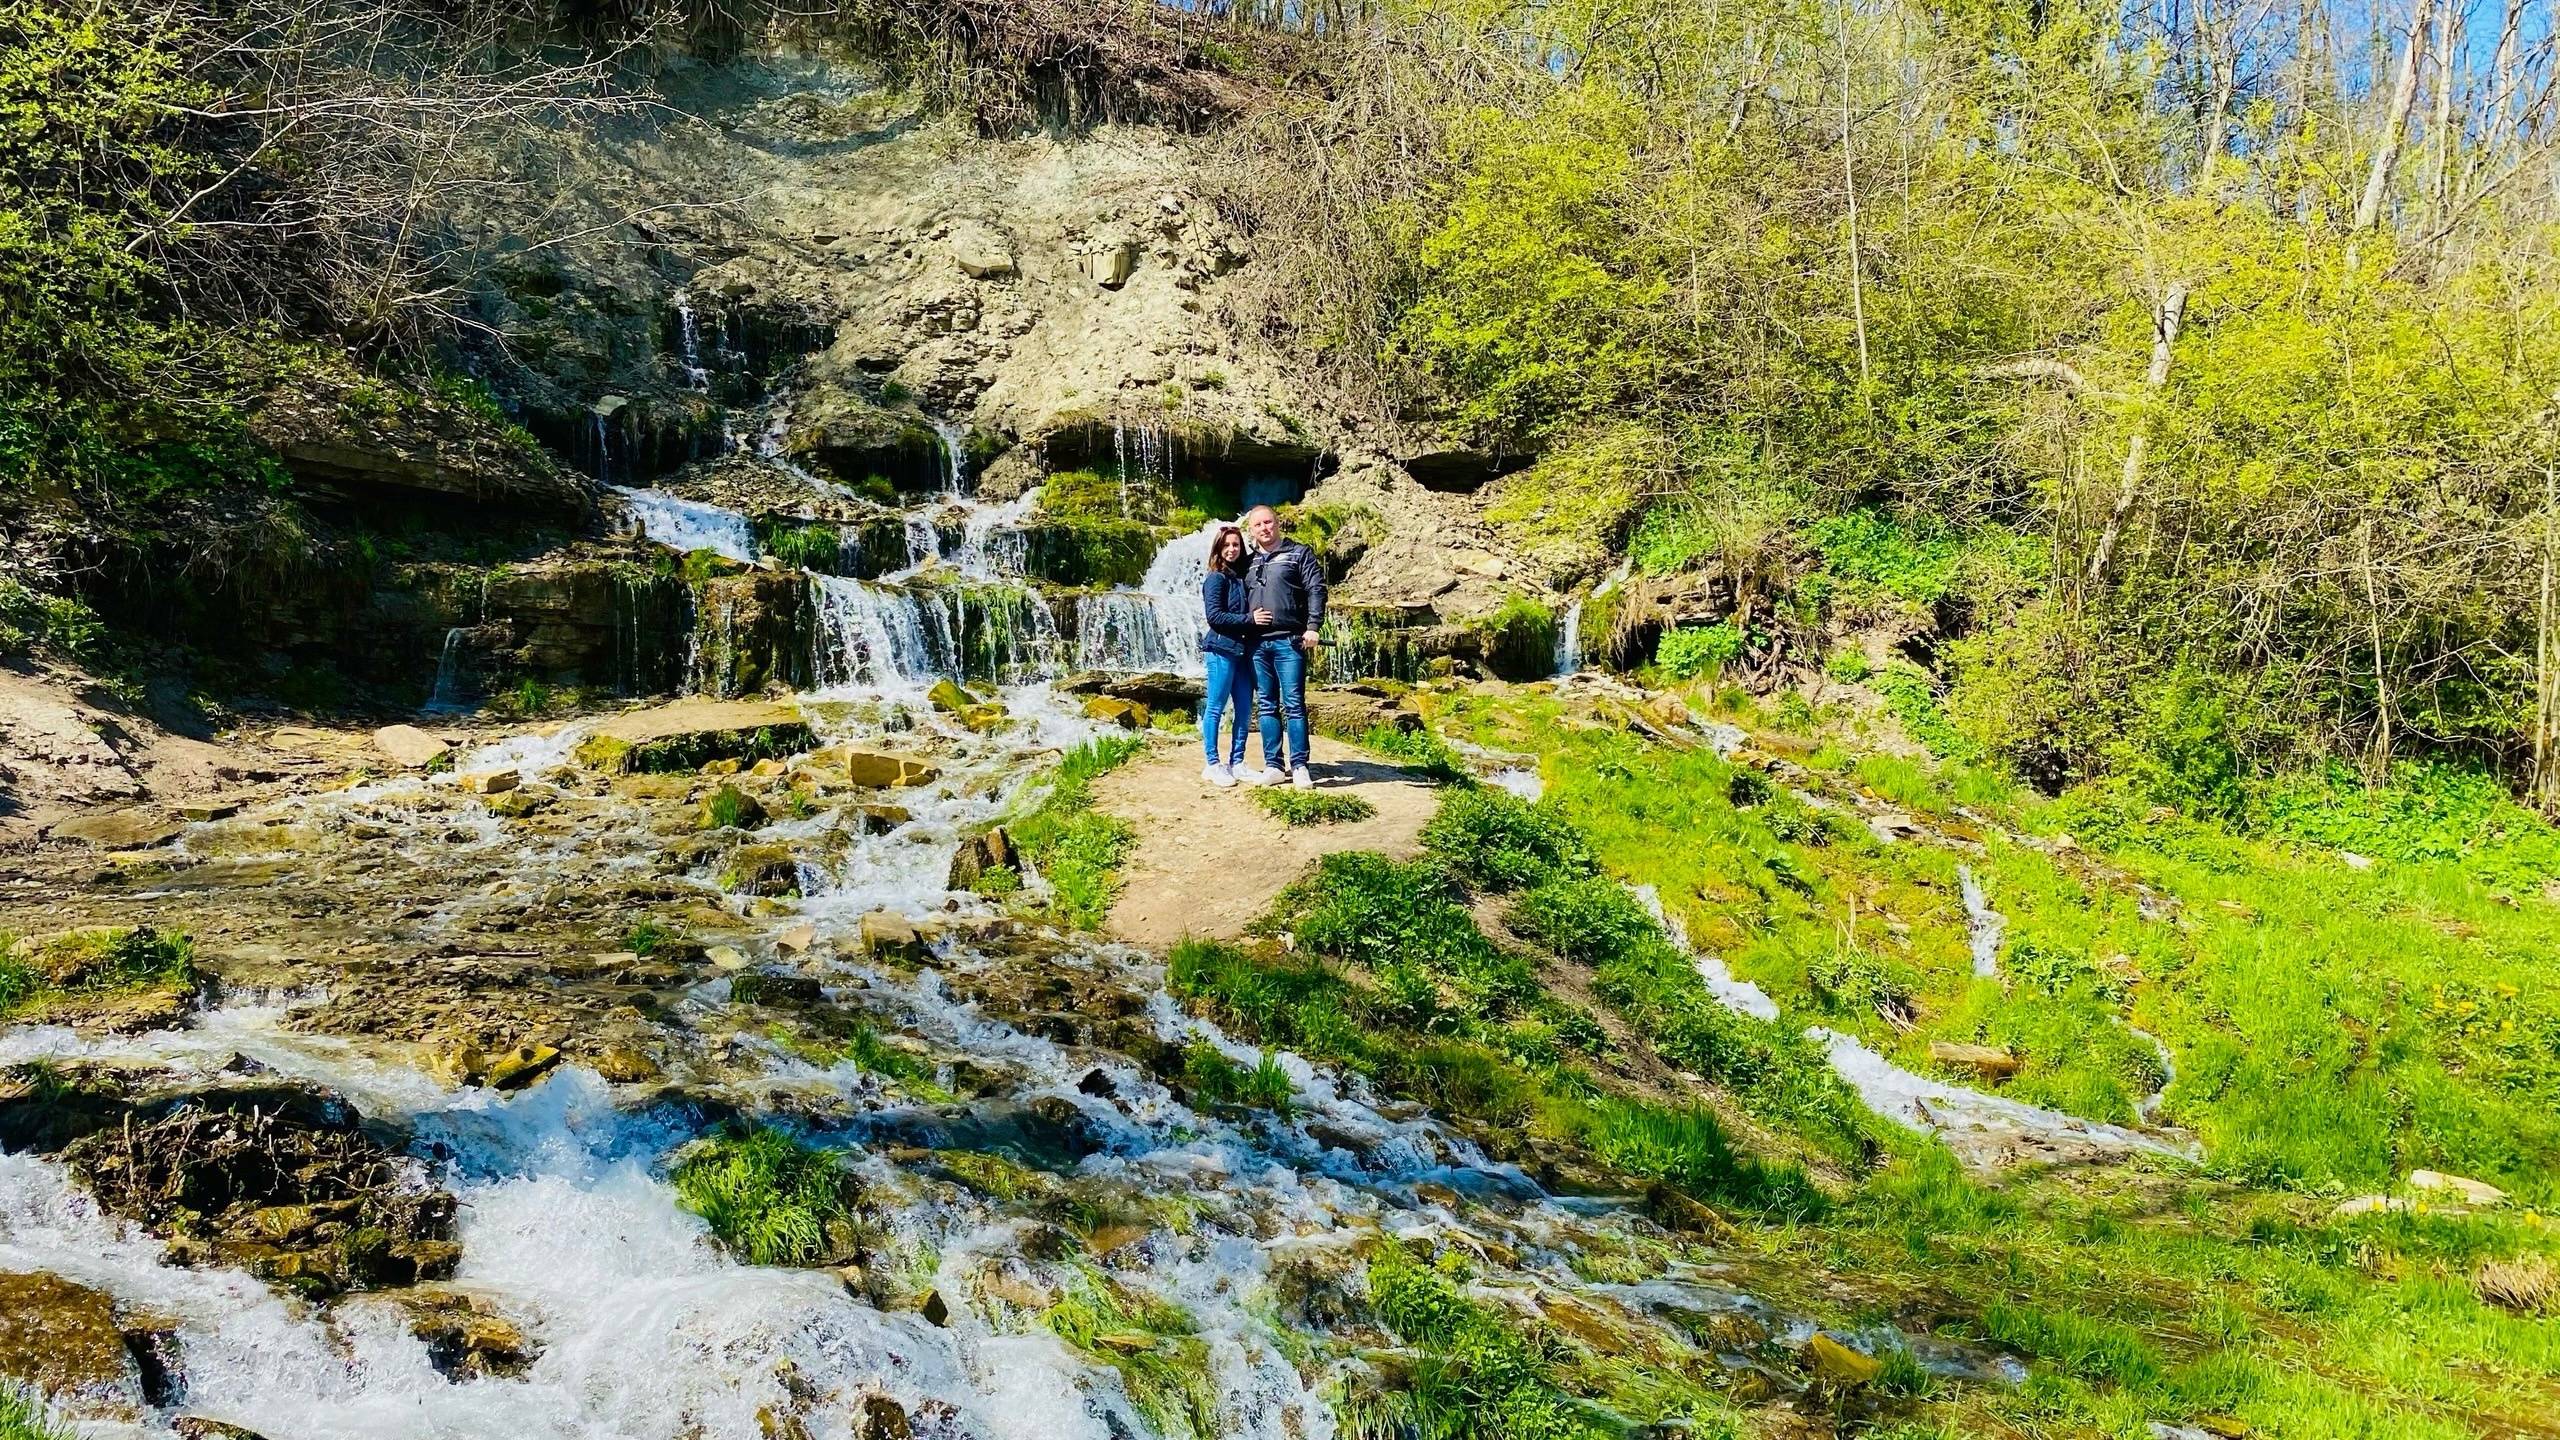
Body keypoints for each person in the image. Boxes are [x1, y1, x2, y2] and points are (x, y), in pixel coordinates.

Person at [1240, 504, 1325, 790]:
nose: (1265, 528)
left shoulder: (1299, 554)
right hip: (1256, 644)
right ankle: (1274, 765)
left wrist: (1313, 627)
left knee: (1294, 704)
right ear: (1250, 531)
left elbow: (1316, 589)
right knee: (1266, 705)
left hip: (1290, 641)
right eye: (1258, 525)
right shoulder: (1247, 563)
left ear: (1277, 523)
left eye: (1269, 522)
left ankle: (1299, 765)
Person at [1198, 524, 1256, 788]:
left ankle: (1238, 762)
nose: (1232, 549)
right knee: (1215, 707)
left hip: (1241, 652)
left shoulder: (1239, 578)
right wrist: (1250, 619)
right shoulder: (1216, 578)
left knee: (1244, 709)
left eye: (1236, 545)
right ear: (1218, 549)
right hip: (1221, 650)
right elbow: (1215, 617)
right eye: (1227, 545)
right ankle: (1212, 764)